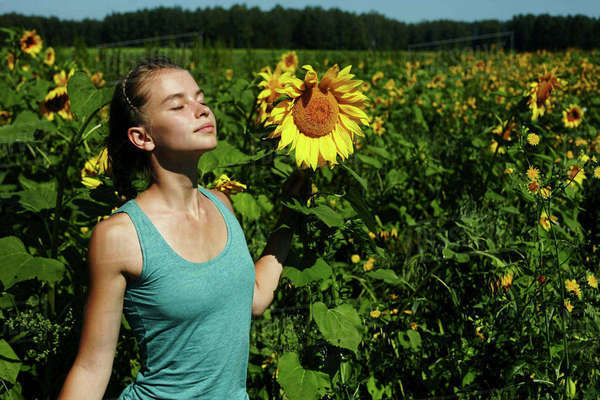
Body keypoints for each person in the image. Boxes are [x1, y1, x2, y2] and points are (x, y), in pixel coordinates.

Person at [58, 57, 310, 400]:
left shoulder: (222, 204)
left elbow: (254, 297)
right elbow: (91, 368)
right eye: (178, 105)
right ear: (142, 137)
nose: (201, 110)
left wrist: (289, 217)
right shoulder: (121, 235)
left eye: (201, 100)